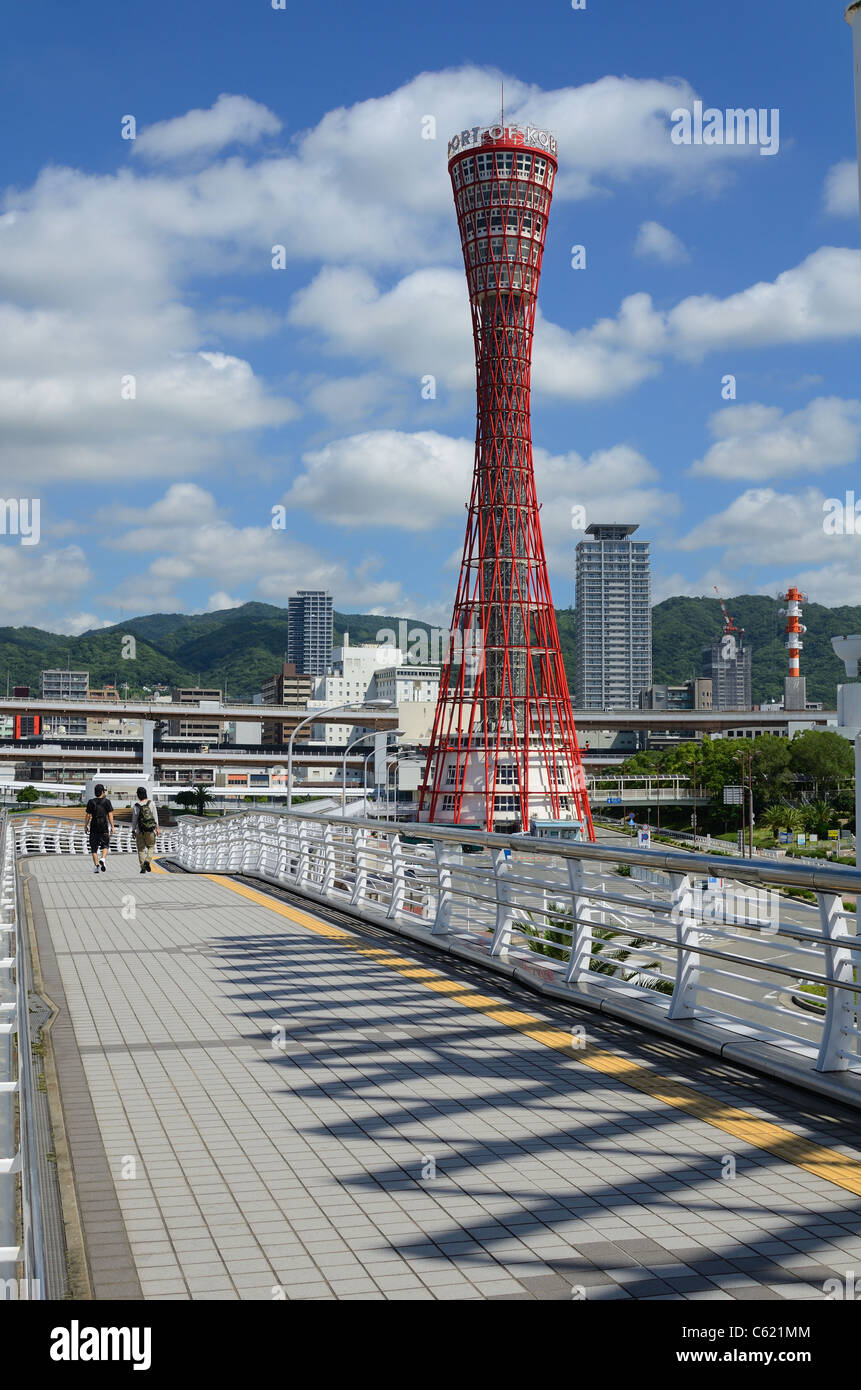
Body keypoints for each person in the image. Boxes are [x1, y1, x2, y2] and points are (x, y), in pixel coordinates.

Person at [85, 783, 114, 873]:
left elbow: (88, 815)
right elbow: (110, 815)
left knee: (94, 848)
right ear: (102, 792)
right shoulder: (107, 802)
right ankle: (103, 859)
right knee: (106, 845)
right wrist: (112, 826)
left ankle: (97, 866)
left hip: (94, 827)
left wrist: (85, 826)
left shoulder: (91, 802)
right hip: (104, 827)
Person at [131, 786, 160, 873]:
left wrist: (133, 831)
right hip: (150, 830)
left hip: (140, 831)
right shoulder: (152, 803)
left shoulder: (136, 806)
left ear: (138, 795)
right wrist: (157, 828)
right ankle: (147, 861)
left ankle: (142, 867)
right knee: (151, 847)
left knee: (141, 849)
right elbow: (155, 817)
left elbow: (134, 820)